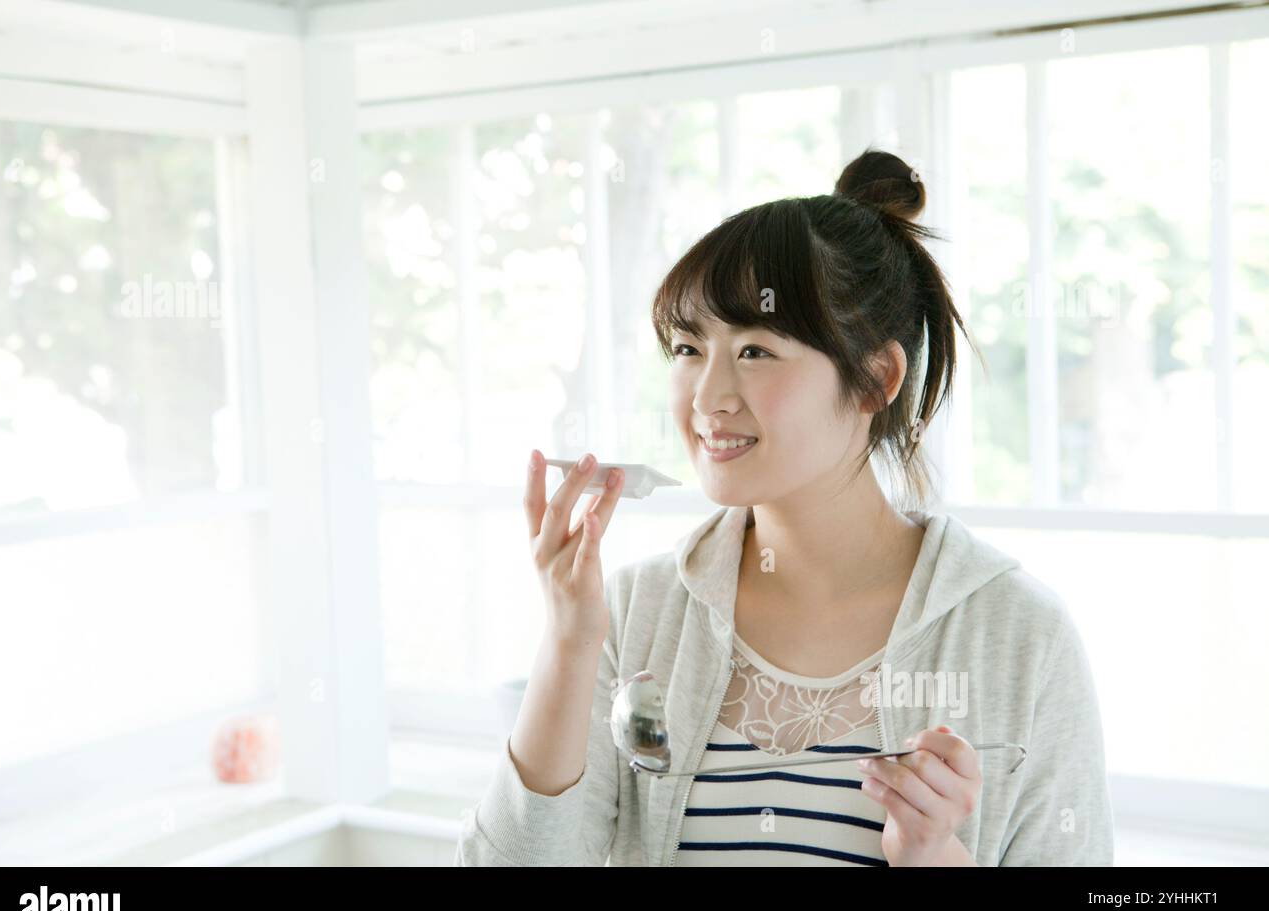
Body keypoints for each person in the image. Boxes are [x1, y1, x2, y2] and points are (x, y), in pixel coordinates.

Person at [456, 147, 1113, 866]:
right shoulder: (635, 613)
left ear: (875, 378)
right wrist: (570, 644)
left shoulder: (1019, 638)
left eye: (757, 351)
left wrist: (936, 857)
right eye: (687, 347)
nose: (707, 398)